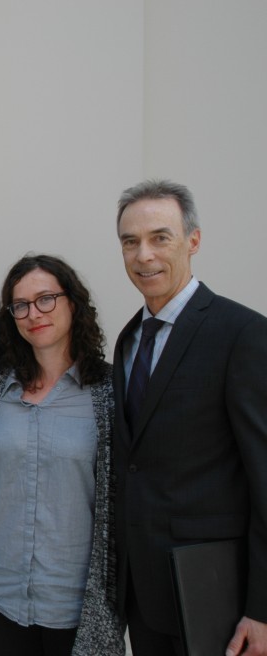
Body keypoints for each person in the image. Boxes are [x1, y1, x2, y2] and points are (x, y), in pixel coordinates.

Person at [112, 179, 267, 656]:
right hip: (142, 593)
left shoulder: (242, 333)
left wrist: (262, 608)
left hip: (213, 593)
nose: (144, 255)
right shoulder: (129, 338)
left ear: (193, 241)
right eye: (130, 241)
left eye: (161, 237)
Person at [0, 254, 124, 656]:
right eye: (21, 305)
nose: (34, 313)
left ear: (73, 302)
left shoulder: (110, 394)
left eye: (46, 298)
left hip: (75, 602)